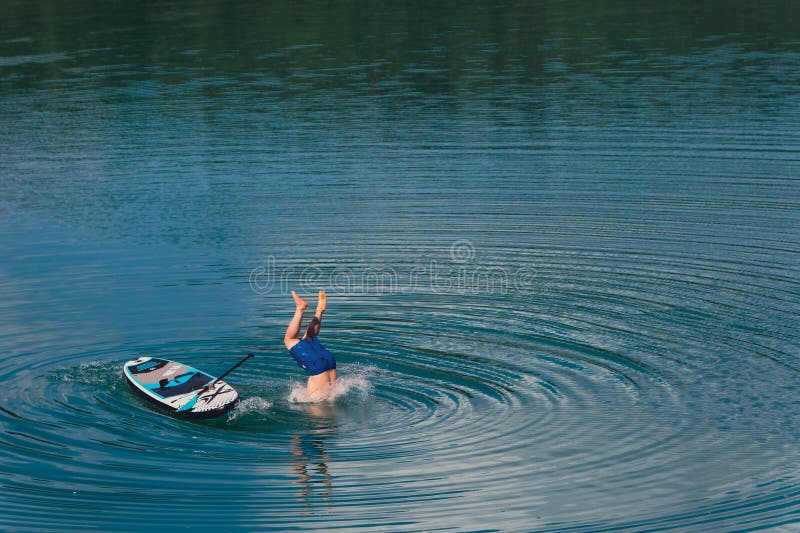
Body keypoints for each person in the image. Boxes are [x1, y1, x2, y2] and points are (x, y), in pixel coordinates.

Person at [284, 290, 337, 401]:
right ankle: (315, 310)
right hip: (326, 366)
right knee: (304, 338)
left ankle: (306, 309)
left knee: (297, 339)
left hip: (326, 365)